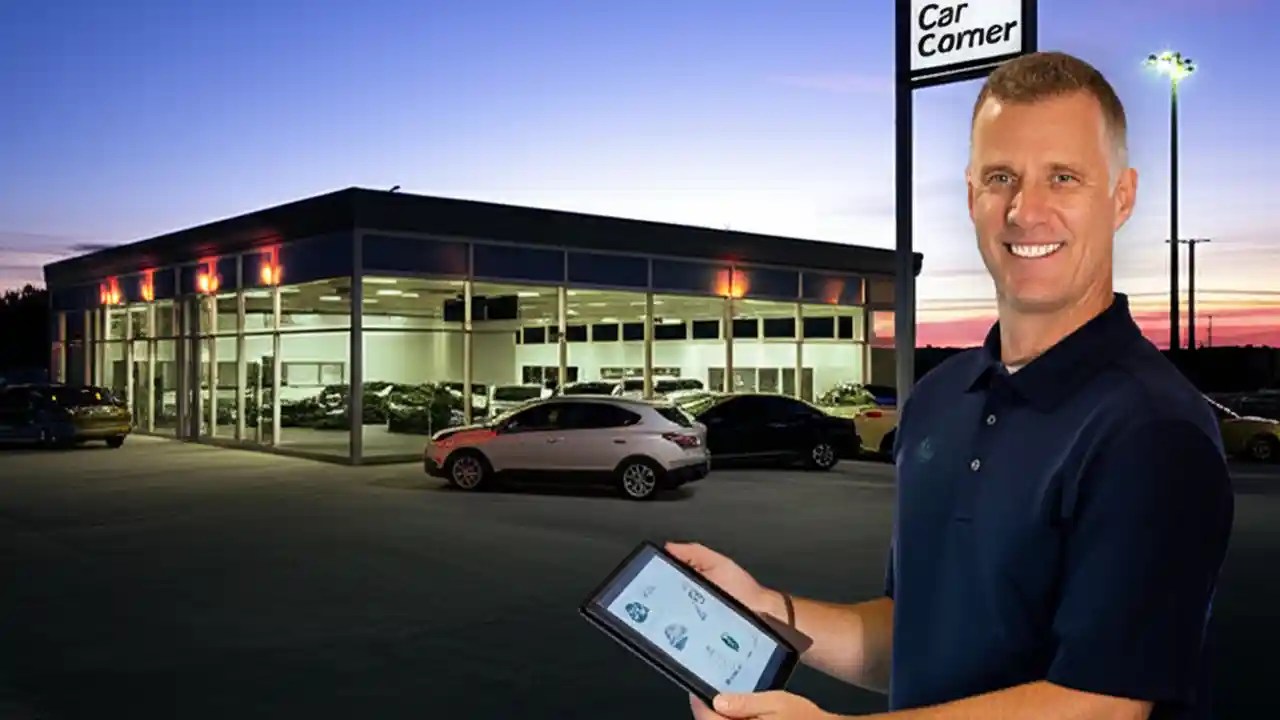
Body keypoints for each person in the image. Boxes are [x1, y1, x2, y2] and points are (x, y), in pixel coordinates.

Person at [668, 51, 1234, 720]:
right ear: (971, 195)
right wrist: (769, 610)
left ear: (1122, 197)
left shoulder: (1154, 430)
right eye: (1001, 177)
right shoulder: (940, 400)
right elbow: (909, 639)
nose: (1027, 210)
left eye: (1064, 177)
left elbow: (1100, 706)